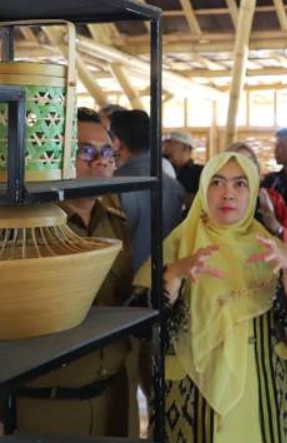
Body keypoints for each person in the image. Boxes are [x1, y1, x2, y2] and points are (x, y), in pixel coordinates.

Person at [136, 152, 287, 443]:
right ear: (204, 190)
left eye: (240, 184)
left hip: (263, 384)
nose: (228, 192)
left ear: (252, 192)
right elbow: (141, 322)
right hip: (194, 389)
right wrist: (175, 273)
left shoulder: (269, 246)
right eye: (218, 182)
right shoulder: (178, 244)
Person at [15, 109, 139, 437]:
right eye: (85, 151)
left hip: (113, 396)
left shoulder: (114, 214)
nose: (101, 161)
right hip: (46, 405)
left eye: (108, 152)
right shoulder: (22, 223)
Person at [109, 109, 185, 271]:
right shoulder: (174, 186)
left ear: (117, 143)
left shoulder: (112, 186)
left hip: (124, 282)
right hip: (166, 279)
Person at [227, 141, 287, 251]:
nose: (246, 165)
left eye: (250, 160)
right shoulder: (219, 198)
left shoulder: (272, 197)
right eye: (238, 161)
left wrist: (276, 227)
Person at [163, 131, 204, 200]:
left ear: (185, 148)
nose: (165, 147)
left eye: (170, 143)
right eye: (165, 143)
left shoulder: (200, 172)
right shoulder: (163, 169)